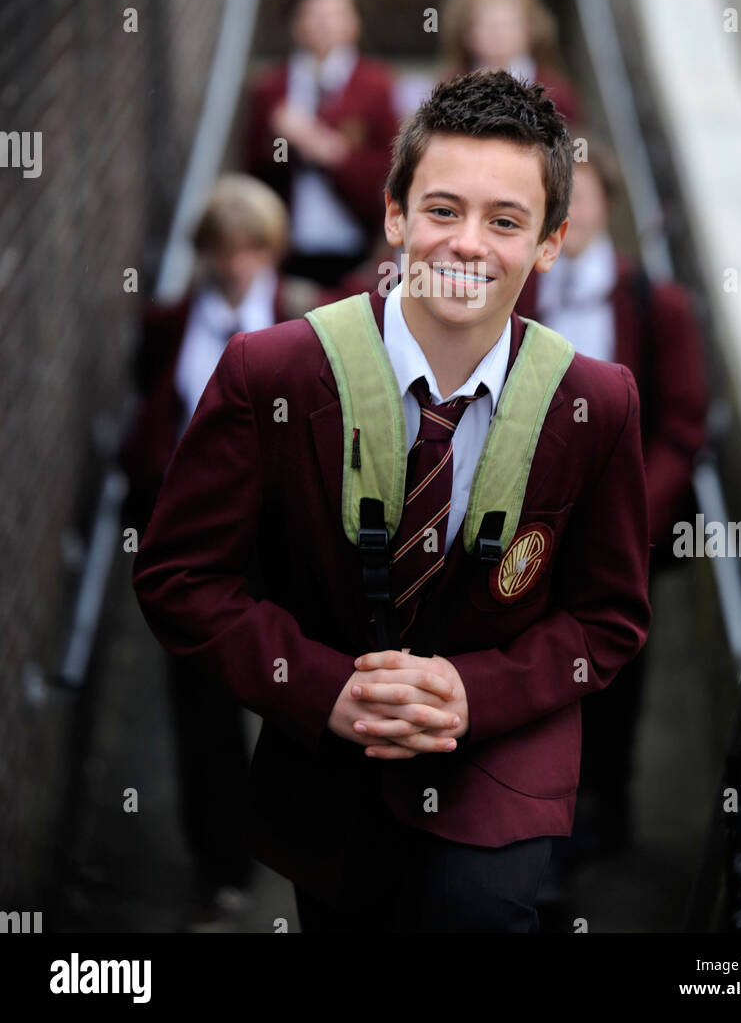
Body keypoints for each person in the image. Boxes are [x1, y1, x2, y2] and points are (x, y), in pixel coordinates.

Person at [132, 71, 650, 934]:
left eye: (506, 221)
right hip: (332, 758)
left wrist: (471, 691)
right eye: (442, 210)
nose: (468, 245)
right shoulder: (275, 372)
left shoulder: (597, 401)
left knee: (473, 913)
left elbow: (607, 619)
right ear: (394, 217)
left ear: (552, 243)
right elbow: (182, 577)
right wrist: (322, 688)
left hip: (502, 749)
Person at [120, 173, 316, 929]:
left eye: (251, 250)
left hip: (280, 537)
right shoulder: (169, 322)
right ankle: (221, 865)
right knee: (198, 705)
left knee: (292, 687)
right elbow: (151, 411)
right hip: (197, 539)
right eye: (222, 251)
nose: (236, 266)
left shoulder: (302, 318)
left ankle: (294, 845)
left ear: (271, 251)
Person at [515, 135, 708, 859]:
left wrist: (630, 521)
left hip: (626, 532)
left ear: (606, 207)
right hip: (530, 528)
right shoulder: (520, 290)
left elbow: (683, 427)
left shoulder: (656, 304)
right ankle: (537, 809)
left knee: (617, 675)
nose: (571, 209)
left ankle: (605, 809)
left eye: (583, 194)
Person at [245, 0, 399, 288]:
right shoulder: (273, 87)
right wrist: (282, 143)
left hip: (357, 247)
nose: (324, 24)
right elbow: (256, 170)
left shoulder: (375, 84)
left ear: (353, 22)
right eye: (312, 14)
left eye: (335, 13)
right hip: (288, 248)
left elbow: (388, 174)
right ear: (295, 25)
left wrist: (323, 148)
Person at [440, 0, 585, 124]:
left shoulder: (557, 94)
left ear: (531, 30)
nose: (498, 35)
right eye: (486, 25)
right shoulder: (450, 88)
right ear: (466, 32)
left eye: (508, 24)